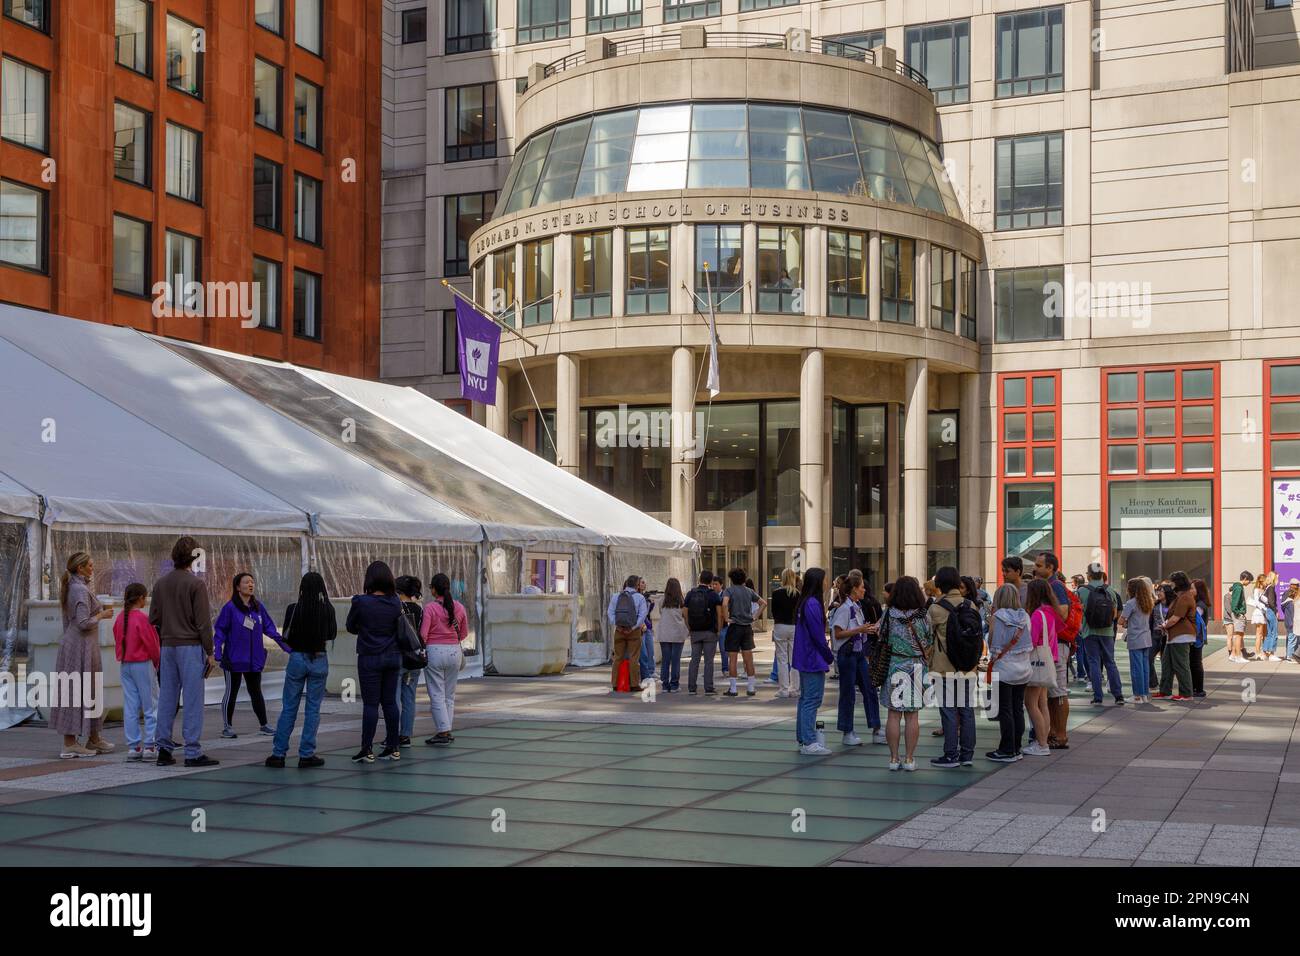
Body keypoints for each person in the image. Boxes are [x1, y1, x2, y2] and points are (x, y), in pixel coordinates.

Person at [151, 536, 218, 768]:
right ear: (194, 557)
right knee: (193, 699)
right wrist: (210, 651)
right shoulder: (196, 584)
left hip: (167, 645)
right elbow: (203, 622)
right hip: (190, 646)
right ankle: (192, 751)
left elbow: (154, 618)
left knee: (167, 698)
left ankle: (163, 748)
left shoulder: (161, 584)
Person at [267, 571, 336, 768]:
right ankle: (306, 754)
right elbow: (331, 634)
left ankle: (278, 754)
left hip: (297, 658)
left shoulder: (294, 608)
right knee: (313, 709)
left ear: (302, 587)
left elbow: (286, 636)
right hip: (319, 658)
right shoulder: (327, 609)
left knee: (289, 707)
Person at [50, 552, 115, 759]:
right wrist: (102, 614)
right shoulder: (79, 589)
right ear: (80, 568)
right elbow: (83, 623)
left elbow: (68, 622)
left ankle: (93, 737)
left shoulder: (74, 587)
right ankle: (70, 743)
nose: (92, 569)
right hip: (80, 646)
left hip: (81, 645)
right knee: (75, 691)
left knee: (89, 689)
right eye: (90, 565)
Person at [215, 572, 289, 739]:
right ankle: (227, 727)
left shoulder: (258, 607)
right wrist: (217, 650)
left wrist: (286, 646)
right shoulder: (229, 608)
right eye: (246, 582)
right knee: (231, 692)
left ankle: (264, 725)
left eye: (252, 582)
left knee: (256, 691)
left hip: (253, 660)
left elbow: (269, 628)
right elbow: (220, 630)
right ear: (237, 587)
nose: (250, 585)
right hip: (233, 659)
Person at [346, 561, 404, 763]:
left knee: (371, 704)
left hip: (369, 656)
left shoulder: (361, 602)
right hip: (393, 656)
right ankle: (393, 746)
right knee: (390, 702)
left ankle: (366, 749)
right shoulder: (395, 601)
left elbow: (350, 626)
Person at [928, 566, 978, 768]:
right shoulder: (971, 605)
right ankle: (967, 754)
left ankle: (950, 755)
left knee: (948, 710)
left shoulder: (936, 608)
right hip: (968, 666)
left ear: (940, 584)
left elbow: (927, 637)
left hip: (944, 667)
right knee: (966, 709)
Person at [881, 576, 932, 772]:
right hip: (915, 666)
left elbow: (881, 635)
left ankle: (894, 758)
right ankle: (909, 759)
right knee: (912, 716)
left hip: (894, 665)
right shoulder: (923, 615)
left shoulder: (888, 614)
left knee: (893, 715)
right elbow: (929, 639)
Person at [830, 570, 881, 748]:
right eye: (862, 587)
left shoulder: (855, 606)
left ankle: (876, 728)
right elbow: (838, 633)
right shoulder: (845, 608)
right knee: (848, 693)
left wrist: (866, 629)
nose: (864, 590)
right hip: (848, 652)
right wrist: (860, 630)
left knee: (869, 688)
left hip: (857, 652)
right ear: (854, 589)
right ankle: (847, 731)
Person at [420, 572, 469, 746]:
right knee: (449, 695)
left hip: (434, 652)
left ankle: (443, 731)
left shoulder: (430, 608)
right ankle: (446, 730)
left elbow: (423, 634)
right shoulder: (460, 607)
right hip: (454, 652)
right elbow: (464, 633)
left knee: (436, 694)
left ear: (434, 590)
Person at [113, 582, 160, 761]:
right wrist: (157, 662)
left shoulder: (120, 618)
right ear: (141, 598)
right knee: (150, 705)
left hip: (125, 664)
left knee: (131, 706)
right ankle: (150, 745)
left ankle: (134, 747)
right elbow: (152, 644)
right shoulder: (142, 618)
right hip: (143, 663)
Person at [986, 583, 1031, 762]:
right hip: (1023, 668)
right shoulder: (1025, 616)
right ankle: (1016, 747)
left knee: (1005, 709)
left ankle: (1006, 749)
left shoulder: (997, 617)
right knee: (1017, 708)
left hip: (1004, 668)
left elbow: (992, 643)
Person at [792, 567, 833, 755]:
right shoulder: (813, 604)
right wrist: (828, 655)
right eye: (824, 579)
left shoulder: (805, 602)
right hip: (812, 658)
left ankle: (804, 739)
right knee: (812, 700)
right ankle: (809, 741)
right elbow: (818, 635)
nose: (826, 583)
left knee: (805, 699)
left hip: (805, 656)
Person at [1034, 552, 1072, 749]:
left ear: (1050, 568)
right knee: (1052, 692)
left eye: (1039, 565)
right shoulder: (1050, 585)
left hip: (1058, 644)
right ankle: (1054, 732)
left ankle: (1061, 735)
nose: (1035, 568)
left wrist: (1046, 621)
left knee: (1058, 692)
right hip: (1054, 645)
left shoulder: (1055, 586)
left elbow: (1063, 613)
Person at [1078, 562, 1124, 706]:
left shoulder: (1081, 591)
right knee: (1110, 662)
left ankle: (1098, 697)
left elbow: (1077, 612)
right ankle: (1118, 696)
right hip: (1107, 632)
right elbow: (1115, 614)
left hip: (1089, 632)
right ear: (1102, 575)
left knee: (1094, 663)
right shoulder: (1110, 591)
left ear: (1089, 575)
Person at [1023, 577, 1059, 756]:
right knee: (1043, 703)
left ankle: (1042, 743)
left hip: (1036, 663)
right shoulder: (1050, 612)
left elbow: (1031, 641)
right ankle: (1043, 741)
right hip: (1047, 661)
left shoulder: (1037, 614)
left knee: (1031, 703)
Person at [722, 568, 766, 697]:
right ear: (744, 579)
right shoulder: (749, 591)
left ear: (731, 579)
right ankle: (751, 687)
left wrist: (726, 618)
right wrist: (755, 616)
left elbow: (724, 604)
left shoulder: (729, 590)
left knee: (733, 658)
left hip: (734, 626)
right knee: (748, 659)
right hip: (747, 627)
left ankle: (733, 688)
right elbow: (763, 603)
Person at [1153, 572, 1196, 700]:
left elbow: (1176, 617)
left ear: (1178, 583)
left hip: (1181, 635)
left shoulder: (1185, 597)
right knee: (1167, 664)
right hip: (1174, 636)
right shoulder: (1181, 596)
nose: (1170, 584)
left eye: (1172, 582)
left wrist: (1164, 626)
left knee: (1181, 665)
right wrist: (1166, 626)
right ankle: (1165, 691)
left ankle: (1186, 693)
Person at [395, 575, 425, 746]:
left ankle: (393, 735)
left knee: (394, 698)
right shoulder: (419, 609)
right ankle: (405, 735)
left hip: (398, 656)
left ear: (398, 591)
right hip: (414, 657)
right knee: (409, 697)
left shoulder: (396, 607)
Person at [685, 571, 724, 695]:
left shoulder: (690, 594)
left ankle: (692, 688)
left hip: (695, 631)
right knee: (708, 661)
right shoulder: (713, 595)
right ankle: (708, 688)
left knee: (694, 660)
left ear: (699, 579)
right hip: (710, 632)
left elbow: (685, 612)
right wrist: (719, 629)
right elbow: (720, 614)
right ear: (711, 581)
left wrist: (689, 627)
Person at [608, 574, 649, 691]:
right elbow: (642, 615)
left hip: (619, 630)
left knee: (618, 657)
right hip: (634, 631)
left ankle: (615, 684)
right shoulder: (640, 598)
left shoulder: (616, 596)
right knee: (634, 657)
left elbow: (610, 613)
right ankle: (634, 684)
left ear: (626, 583)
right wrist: (633, 627)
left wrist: (618, 626)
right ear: (637, 585)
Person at [1119, 577, 1156, 704]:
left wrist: (1126, 622)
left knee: (1136, 669)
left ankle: (1137, 696)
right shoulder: (1148, 602)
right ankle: (1144, 694)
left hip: (1135, 638)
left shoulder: (1131, 603)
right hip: (1146, 637)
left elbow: (1121, 621)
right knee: (1145, 668)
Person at [769, 568, 801, 699]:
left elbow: (773, 612)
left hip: (780, 626)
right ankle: (795, 689)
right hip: (794, 626)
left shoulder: (776, 593)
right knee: (794, 659)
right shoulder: (797, 594)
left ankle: (783, 689)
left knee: (781, 659)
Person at [655, 578, 689, 692]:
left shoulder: (662, 600)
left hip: (664, 633)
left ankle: (665, 685)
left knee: (665, 660)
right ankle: (674, 685)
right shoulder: (681, 601)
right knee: (675, 660)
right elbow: (685, 616)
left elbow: (661, 612)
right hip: (677, 633)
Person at [1191, 578, 1212, 696]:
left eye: (1192, 588)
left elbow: (1195, 622)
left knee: (1195, 663)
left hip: (1197, 639)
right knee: (1194, 663)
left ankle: (1198, 689)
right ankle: (1196, 688)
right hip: (1197, 638)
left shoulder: (1199, 605)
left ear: (1198, 590)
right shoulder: (1198, 604)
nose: (1190, 590)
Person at [1226, 570, 1250, 662]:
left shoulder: (1237, 587)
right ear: (1245, 578)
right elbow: (1234, 603)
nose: (1249, 583)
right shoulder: (1239, 588)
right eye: (1249, 580)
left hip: (1237, 614)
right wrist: (1238, 613)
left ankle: (1233, 655)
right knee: (1239, 635)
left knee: (1237, 635)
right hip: (1238, 614)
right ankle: (1238, 656)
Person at [637, 577, 657, 686]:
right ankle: (646, 674)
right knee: (644, 652)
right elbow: (641, 613)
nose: (644, 584)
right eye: (642, 582)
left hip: (647, 626)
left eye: (645, 582)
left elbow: (647, 613)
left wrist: (651, 604)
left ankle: (651, 671)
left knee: (650, 650)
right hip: (642, 626)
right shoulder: (637, 597)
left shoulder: (645, 596)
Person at [1260, 571, 1281, 661]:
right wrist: (1276, 611)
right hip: (1271, 612)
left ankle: (1265, 653)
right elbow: (1272, 602)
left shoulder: (1267, 587)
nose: (1278, 580)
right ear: (1274, 578)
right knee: (1274, 633)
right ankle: (1272, 654)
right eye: (1277, 577)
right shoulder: (1271, 588)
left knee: (1269, 633)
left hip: (1267, 611)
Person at [1284, 579, 1300, 664]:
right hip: (1294, 621)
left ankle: (1291, 655)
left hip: (1292, 620)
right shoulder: (1292, 600)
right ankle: (1290, 656)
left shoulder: (1290, 599)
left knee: (1293, 639)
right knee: (1292, 639)